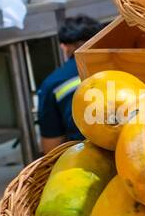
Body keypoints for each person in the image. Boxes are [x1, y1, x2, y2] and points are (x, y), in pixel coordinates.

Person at [37, 15, 104, 153]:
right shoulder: (119, 65)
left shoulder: (52, 84)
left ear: (65, 47)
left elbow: (51, 147)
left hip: (85, 157)